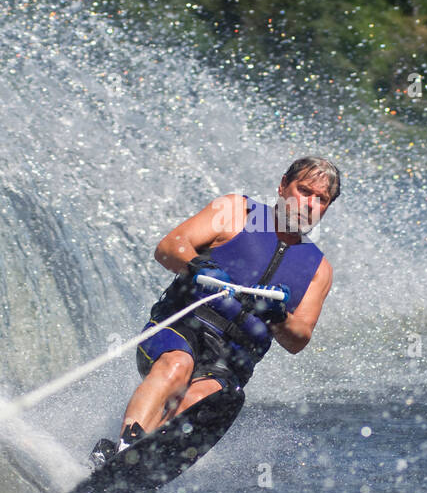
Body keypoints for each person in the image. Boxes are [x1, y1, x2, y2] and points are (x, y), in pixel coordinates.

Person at [89, 157, 339, 470]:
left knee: (205, 397)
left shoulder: (319, 269)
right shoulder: (236, 211)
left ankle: (136, 462)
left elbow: (298, 338)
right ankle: (125, 446)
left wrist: (279, 317)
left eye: (322, 199)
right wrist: (197, 264)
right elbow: (169, 247)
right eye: (304, 191)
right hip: (179, 329)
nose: (310, 204)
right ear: (282, 185)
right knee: (177, 365)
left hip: (230, 361)